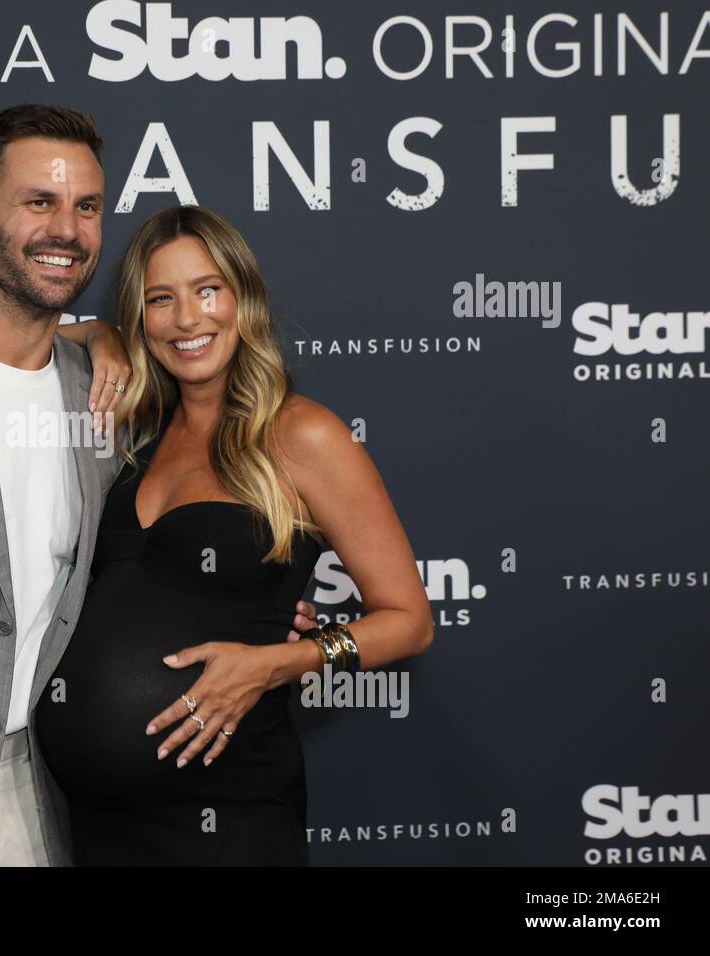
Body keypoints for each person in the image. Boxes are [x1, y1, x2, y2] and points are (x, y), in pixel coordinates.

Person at [33, 204, 434, 865]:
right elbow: (14, 343)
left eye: (207, 290)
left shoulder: (303, 435)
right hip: (102, 831)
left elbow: (410, 621)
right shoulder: (143, 437)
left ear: (244, 300)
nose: (187, 319)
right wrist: (101, 332)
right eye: (161, 300)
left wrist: (276, 663)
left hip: (227, 817)